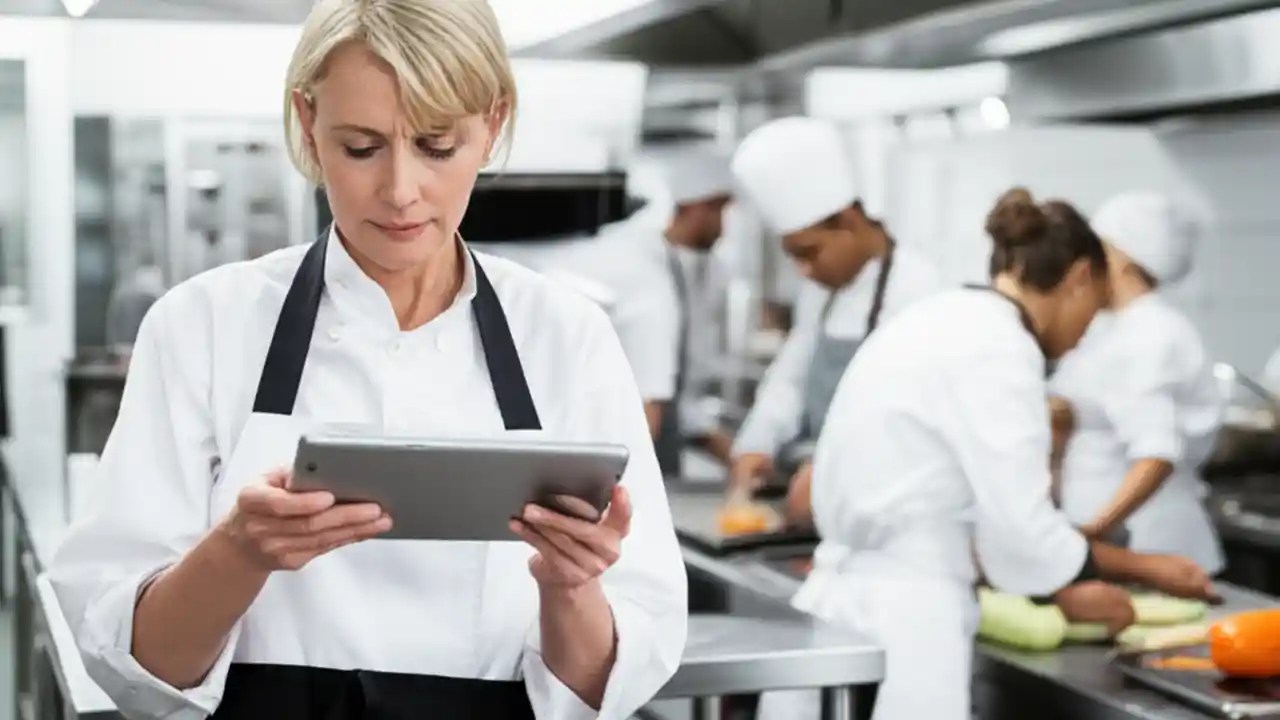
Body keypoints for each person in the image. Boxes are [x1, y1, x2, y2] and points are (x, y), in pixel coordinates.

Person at [47, 2, 687, 718]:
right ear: (308, 122)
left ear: (495, 124)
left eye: (438, 145)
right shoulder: (203, 327)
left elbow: (617, 676)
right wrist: (239, 552)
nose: (400, 191)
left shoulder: (568, 339)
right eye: (360, 148)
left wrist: (570, 585)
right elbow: (132, 667)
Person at [762, 189, 1215, 720]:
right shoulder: (1000, 350)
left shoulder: (945, 316)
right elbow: (1020, 532)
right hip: (907, 617)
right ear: (1078, 281)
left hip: (844, 604)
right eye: (1092, 313)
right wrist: (1142, 568)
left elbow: (992, 528)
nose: (1083, 336)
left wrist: (1060, 583)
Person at [726, 116, 942, 499]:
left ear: (848, 221)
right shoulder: (822, 293)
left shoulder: (921, 292)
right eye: (794, 257)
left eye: (810, 253)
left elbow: (908, 419)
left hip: (886, 495)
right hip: (815, 489)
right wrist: (757, 443)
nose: (805, 271)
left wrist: (833, 471)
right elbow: (792, 377)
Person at [1052, 191, 1226, 573]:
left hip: (1151, 548)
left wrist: (1092, 535)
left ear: (1125, 257)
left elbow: (1157, 454)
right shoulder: (1107, 325)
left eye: (1097, 247)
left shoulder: (1153, 333)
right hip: (1111, 547)